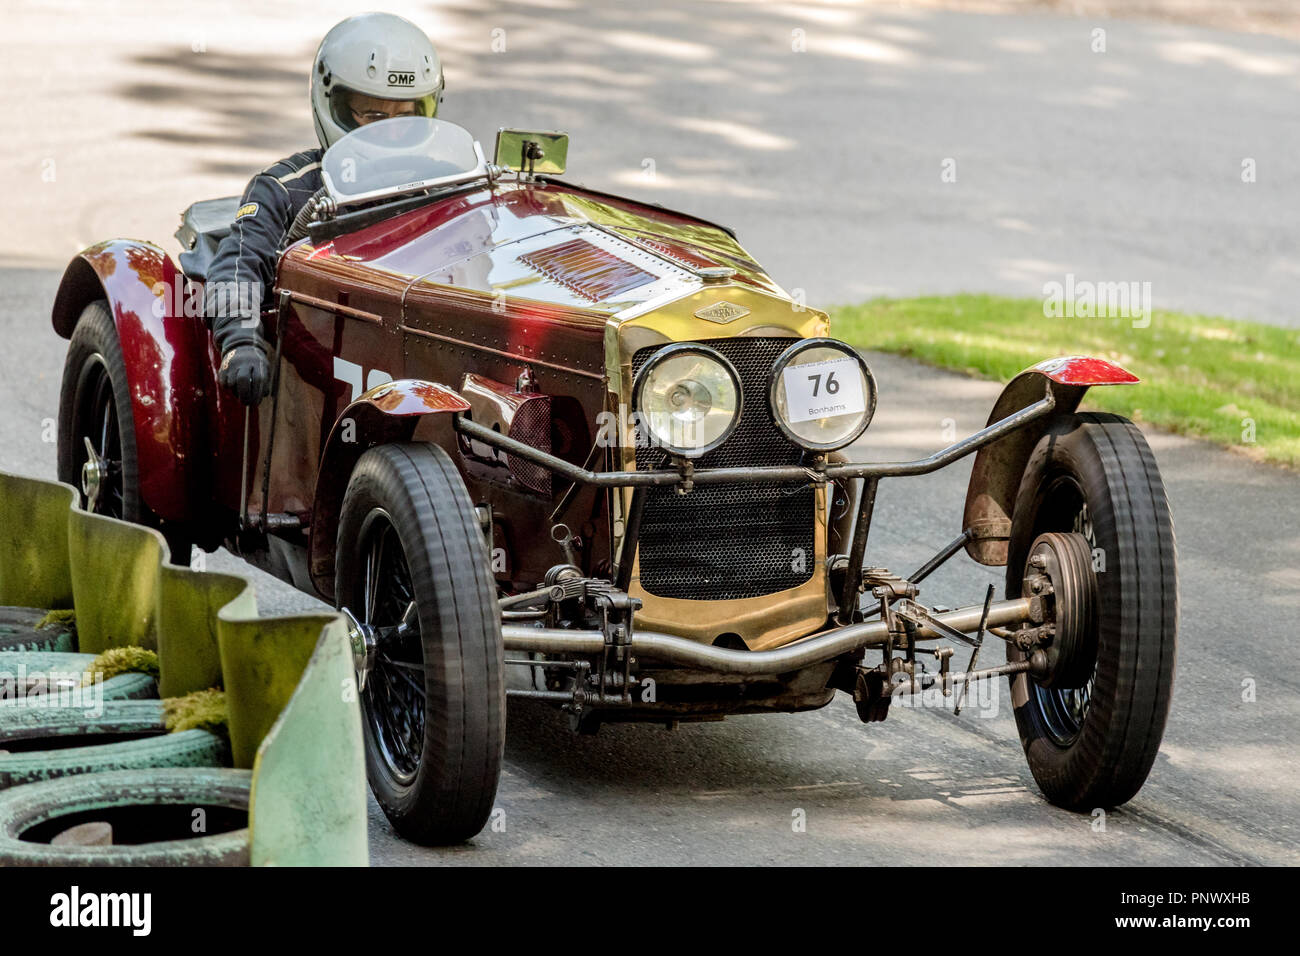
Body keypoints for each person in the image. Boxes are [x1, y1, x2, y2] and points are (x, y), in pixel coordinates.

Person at [206, 12, 445, 405]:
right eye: (373, 114)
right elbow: (237, 267)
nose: (390, 131)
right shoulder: (284, 189)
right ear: (334, 105)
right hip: (312, 370)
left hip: (420, 361)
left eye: (406, 116)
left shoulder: (448, 184)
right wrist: (241, 342)